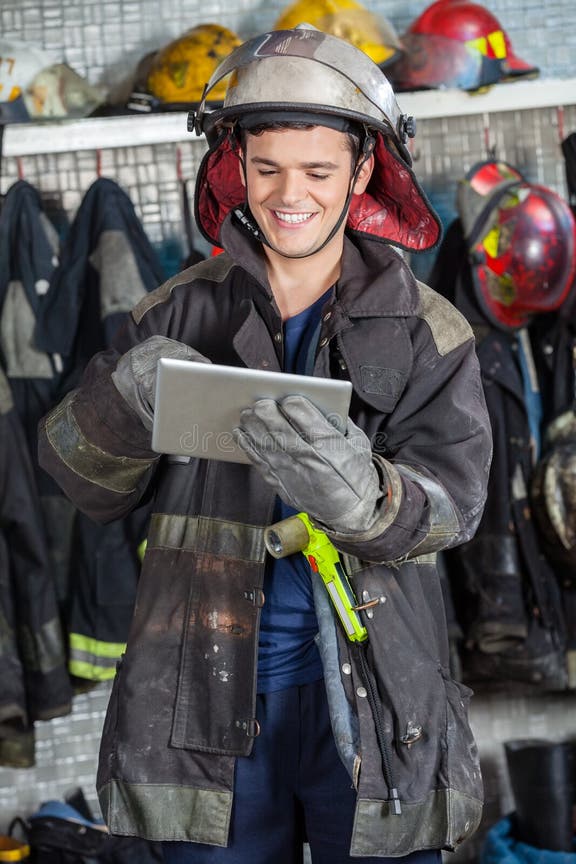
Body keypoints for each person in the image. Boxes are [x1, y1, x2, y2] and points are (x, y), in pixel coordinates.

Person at [38, 25, 493, 864]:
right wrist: (119, 408)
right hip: (205, 703)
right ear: (236, 166)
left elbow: (456, 507)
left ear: (361, 172)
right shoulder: (175, 312)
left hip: (375, 703)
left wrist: (375, 498)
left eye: (319, 171)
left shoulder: (428, 330)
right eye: (268, 168)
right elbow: (76, 480)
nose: (292, 195)